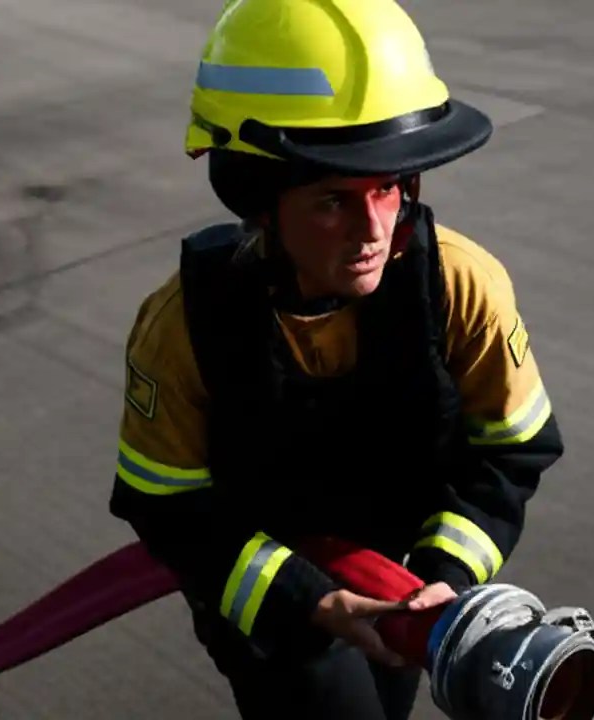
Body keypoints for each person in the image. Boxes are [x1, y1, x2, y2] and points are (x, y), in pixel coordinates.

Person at [108, 1, 564, 718]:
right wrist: (313, 601)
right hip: (264, 602)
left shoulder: (462, 286)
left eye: (389, 187)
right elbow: (168, 509)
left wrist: (435, 581)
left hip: (401, 583)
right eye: (332, 201)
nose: (373, 230)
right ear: (260, 202)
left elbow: (511, 455)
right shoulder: (182, 328)